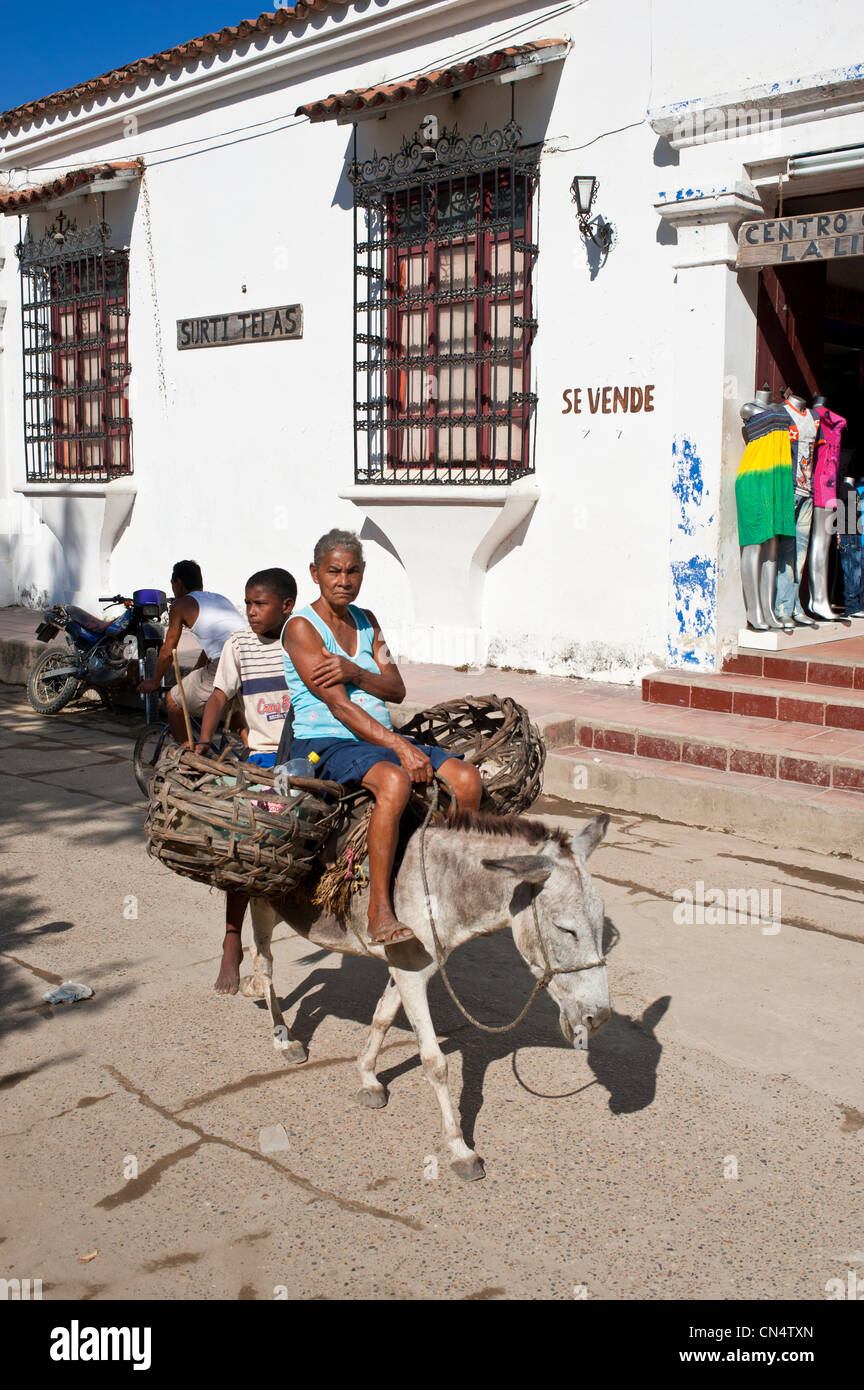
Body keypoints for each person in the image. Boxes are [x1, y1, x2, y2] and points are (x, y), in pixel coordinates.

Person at [283, 529, 482, 946]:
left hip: (376, 738)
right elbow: (340, 707)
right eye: (333, 571)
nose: (344, 580)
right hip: (325, 743)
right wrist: (401, 747)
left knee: (466, 780)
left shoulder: (367, 621)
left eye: (353, 571)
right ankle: (379, 910)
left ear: (363, 574)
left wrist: (355, 671)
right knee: (394, 780)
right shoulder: (303, 628)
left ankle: (451, 881)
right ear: (315, 573)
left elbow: (396, 688)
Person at [195, 568, 297, 994]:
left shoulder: (301, 641)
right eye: (248, 603)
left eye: (260, 605)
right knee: (243, 844)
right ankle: (232, 938)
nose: (251, 613)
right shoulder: (239, 645)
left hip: (302, 755)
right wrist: (203, 740)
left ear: (286, 607)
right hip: (259, 757)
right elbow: (220, 695)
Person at [138, 560, 245, 744]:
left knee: (173, 700)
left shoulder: (180, 605)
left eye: (173, 584)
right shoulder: (220, 599)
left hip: (225, 662)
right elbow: (214, 642)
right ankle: (252, 750)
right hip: (248, 658)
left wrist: (155, 681)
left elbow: (167, 650)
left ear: (178, 582)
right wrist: (197, 670)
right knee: (233, 707)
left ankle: (188, 758)